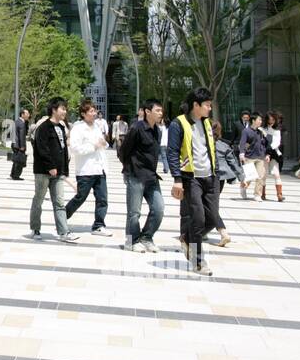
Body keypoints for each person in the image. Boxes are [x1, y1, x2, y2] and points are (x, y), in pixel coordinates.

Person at [166, 87, 219, 276]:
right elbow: (172, 152)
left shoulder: (207, 123)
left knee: (213, 219)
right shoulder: (178, 123)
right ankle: (198, 262)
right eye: (207, 105)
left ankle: (186, 238)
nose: (209, 108)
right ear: (196, 105)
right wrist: (177, 179)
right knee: (198, 219)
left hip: (210, 177)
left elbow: (210, 149)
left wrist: (216, 172)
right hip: (191, 178)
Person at [119, 98, 165, 252]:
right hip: (136, 175)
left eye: (161, 110)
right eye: (157, 110)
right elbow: (123, 151)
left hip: (151, 176)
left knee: (158, 209)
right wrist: (129, 168)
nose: (161, 113)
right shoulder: (136, 128)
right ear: (147, 112)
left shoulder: (157, 131)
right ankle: (131, 242)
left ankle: (146, 237)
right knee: (134, 212)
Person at [29, 97, 75, 241]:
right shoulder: (43, 128)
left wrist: (64, 169)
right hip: (43, 172)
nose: (65, 112)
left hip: (58, 172)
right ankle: (35, 229)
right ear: (54, 110)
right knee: (39, 200)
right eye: (62, 109)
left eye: (65, 109)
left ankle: (63, 232)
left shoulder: (61, 127)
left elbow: (63, 150)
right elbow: (41, 149)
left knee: (60, 202)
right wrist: (50, 166)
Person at [65, 101, 111, 235]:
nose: (94, 113)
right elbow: (75, 148)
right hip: (86, 169)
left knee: (102, 199)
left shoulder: (96, 126)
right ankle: (62, 218)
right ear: (83, 114)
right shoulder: (78, 128)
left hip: (100, 169)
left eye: (94, 111)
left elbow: (102, 144)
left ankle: (98, 225)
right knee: (80, 197)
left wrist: (104, 144)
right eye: (91, 111)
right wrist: (93, 147)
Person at [209, 122, 236, 247]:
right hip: (221, 178)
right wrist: (240, 177)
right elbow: (232, 161)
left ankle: (223, 232)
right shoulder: (224, 145)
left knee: (209, 205)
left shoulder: (205, 144)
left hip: (209, 176)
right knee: (211, 204)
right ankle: (204, 232)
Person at [240, 112, 269, 200]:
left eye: (261, 120)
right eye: (259, 120)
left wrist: (266, 154)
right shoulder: (246, 131)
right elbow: (242, 143)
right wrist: (242, 153)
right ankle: (243, 188)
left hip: (260, 157)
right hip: (249, 157)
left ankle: (257, 195)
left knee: (260, 177)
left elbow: (265, 144)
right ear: (253, 120)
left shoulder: (260, 132)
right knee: (250, 177)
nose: (261, 121)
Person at [265, 110, 286, 202]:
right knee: (264, 175)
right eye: (269, 119)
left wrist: (269, 153)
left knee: (276, 174)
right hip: (263, 154)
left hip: (274, 154)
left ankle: (279, 194)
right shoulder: (263, 129)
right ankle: (262, 194)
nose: (271, 121)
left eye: (273, 119)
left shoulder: (277, 129)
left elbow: (277, 143)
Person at [9, 107, 30, 180]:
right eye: (27, 113)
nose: (28, 115)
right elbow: (21, 135)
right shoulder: (21, 123)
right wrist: (22, 146)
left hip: (14, 144)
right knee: (20, 161)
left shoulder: (16, 121)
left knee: (16, 160)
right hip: (18, 145)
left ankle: (13, 174)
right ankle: (16, 176)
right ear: (22, 114)